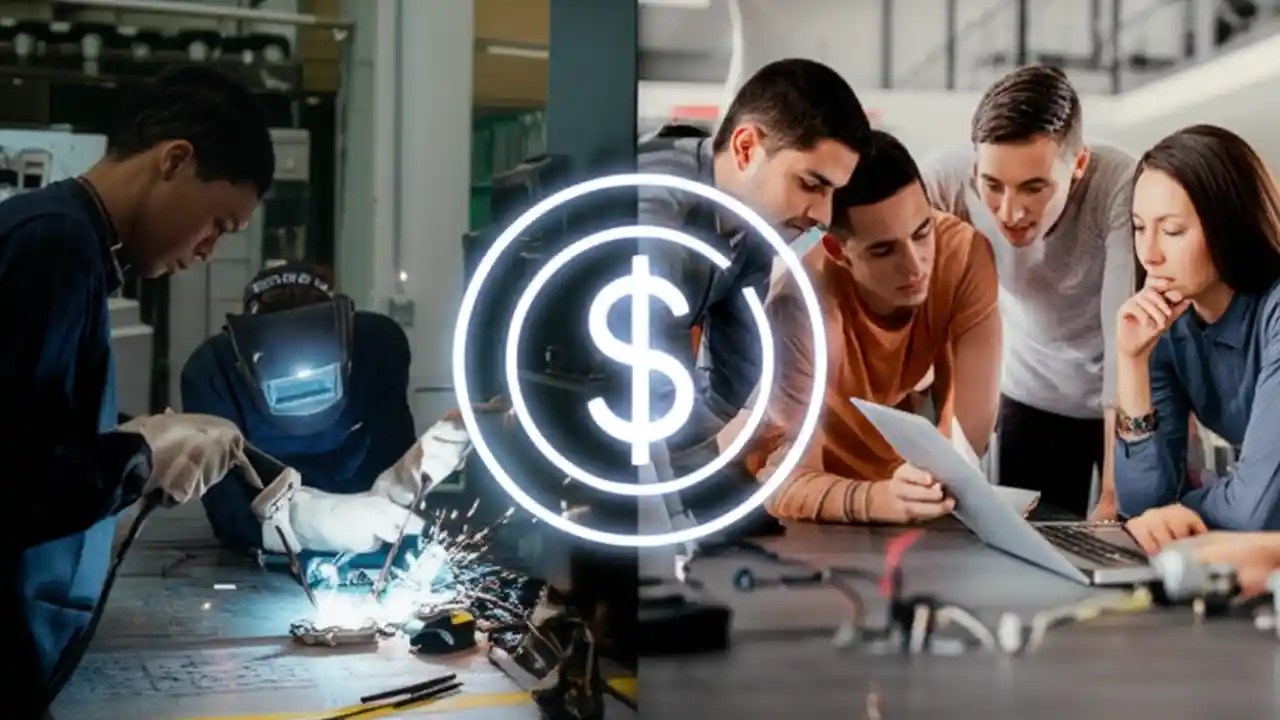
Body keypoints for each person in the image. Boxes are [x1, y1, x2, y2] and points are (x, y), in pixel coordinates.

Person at [1, 66, 285, 717]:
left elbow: (33, 423)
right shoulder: (54, 244)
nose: (209, 249)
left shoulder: (66, 242)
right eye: (218, 222)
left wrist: (143, 434)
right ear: (175, 160)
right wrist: (141, 454)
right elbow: (14, 477)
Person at [637, 57, 872, 530]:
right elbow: (650, 411)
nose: (823, 214)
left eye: (833, 193)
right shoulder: (657, 218)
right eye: (811, 183)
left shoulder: (751, 229)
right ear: (746, 147)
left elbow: (731, 385)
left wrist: (729, 449)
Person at [748, 129, 1001, 524]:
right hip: (810, 513)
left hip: (897, 485)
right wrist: (877, 501)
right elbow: (782, 481)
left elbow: (967, 441)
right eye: (884, 250)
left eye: (922, 233)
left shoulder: (962, 255)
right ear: (837, 250)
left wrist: (931, 484)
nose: (916, 266)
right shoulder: (799, 306)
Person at [921, 65, 1137, 520]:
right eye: (992, 186)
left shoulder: (1119, 182)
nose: (1010, 211)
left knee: (1128, 533)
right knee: (1032, 543)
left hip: (1122, 398)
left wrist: (1114, 494)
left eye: (1034, 188)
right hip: (1032, 392)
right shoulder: (948, 176)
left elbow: (1124, 331)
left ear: (1078, 166)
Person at [182, 263, 471, 556]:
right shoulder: (211, 371)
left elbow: (392, 441)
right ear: (245, 359)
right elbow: (225, 507)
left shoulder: (377, 345)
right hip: (263, 505)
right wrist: (296, 524)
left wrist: (395, 500)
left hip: (363, 493)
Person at [1113, 124, 1280, 553]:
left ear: (1228, 227)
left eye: (1171, 231)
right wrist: (1132, 363)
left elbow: (1253, 512)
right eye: (1137, 227)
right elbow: (1140, 507)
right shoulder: (1171, 323)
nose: (1149, 253)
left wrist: (1178, 509)